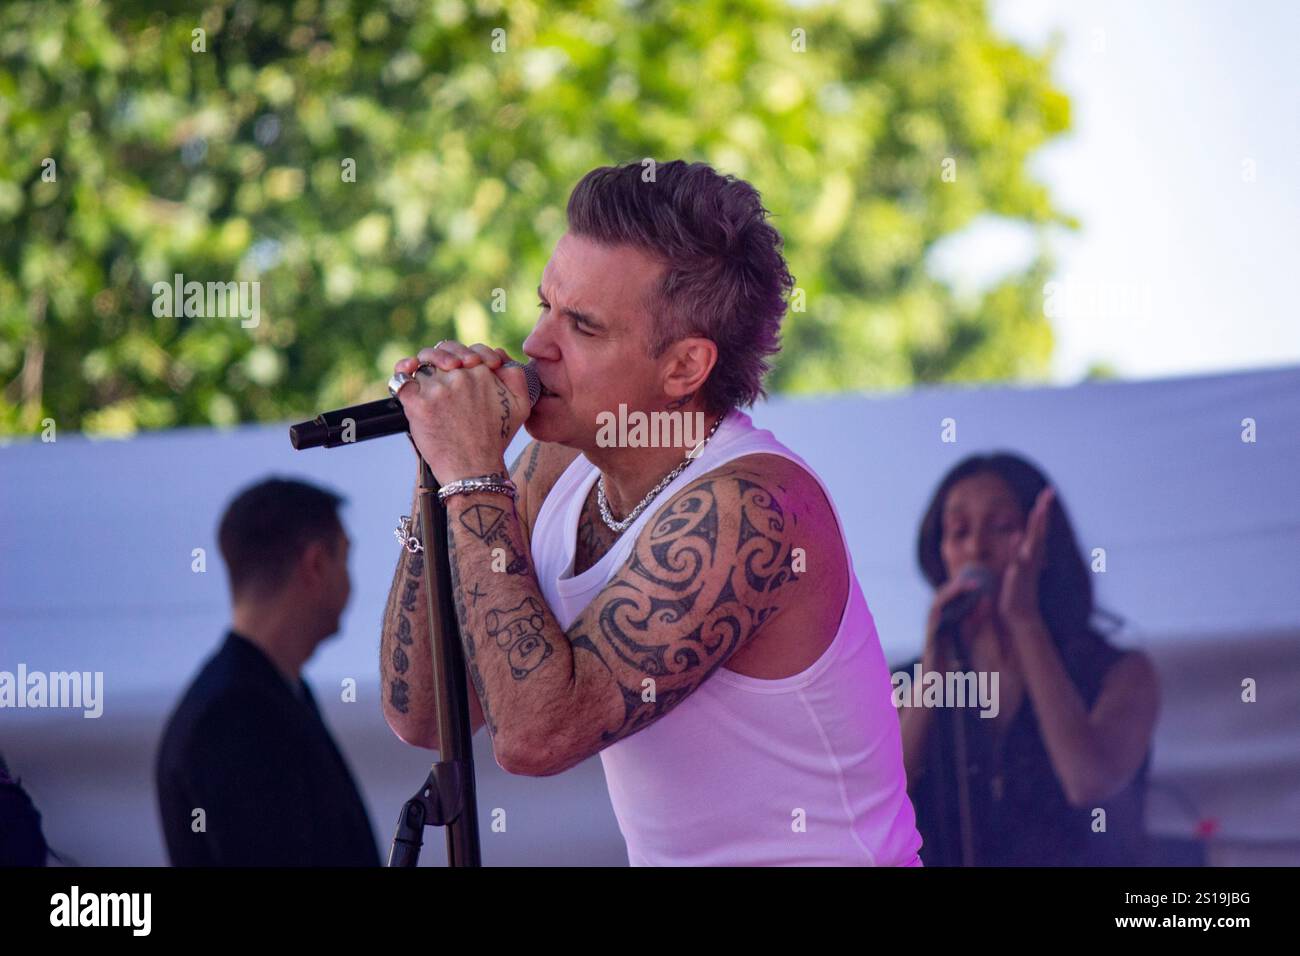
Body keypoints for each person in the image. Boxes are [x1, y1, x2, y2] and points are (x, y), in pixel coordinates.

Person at [380, 160, 922, 866]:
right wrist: (438, 473)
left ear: (685, 368)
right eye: (545, 304)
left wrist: (473, 475)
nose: (537, 344)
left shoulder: (751, 508)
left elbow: (536, 737)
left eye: (582, 325)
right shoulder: (561, 465)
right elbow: (427, 715)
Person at [897, 453, 1159, 865]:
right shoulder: (913, 682)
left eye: (1002, 528)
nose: (976, 549)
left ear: (1045, 545)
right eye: (958, 531)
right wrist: (935, 663)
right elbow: (880, 798)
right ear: (939, 550)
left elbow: (1087, 781)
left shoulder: (1119, 672)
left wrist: (1024, 620)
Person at [155, 478, 379, 866]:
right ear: (316, 564)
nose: (350, 580)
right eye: (344, 556)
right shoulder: (232, 716)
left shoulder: (264, 692)